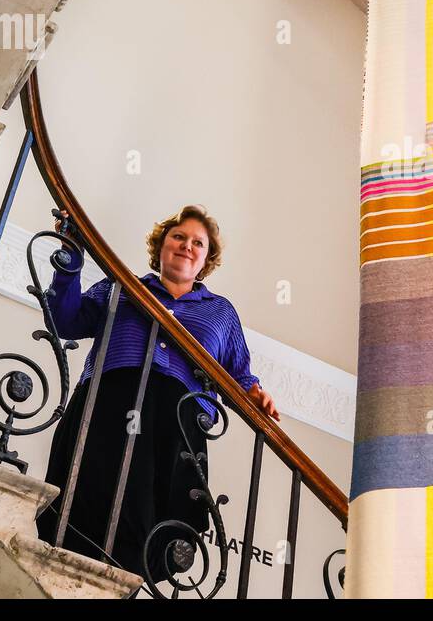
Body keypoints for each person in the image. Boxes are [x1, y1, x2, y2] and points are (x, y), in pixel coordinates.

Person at [35, 204, 278, 587]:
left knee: (149, 514)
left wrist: (255, 394)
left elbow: (239, 375)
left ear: (206, 260)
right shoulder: (121, 286)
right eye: (178, 236)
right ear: (161, 246)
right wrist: (70, 258)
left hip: (178, 421)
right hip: (107, 404)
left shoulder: (220, 313)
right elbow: (66, 320)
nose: (186, 245)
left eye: (198, 242)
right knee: (87, 495)